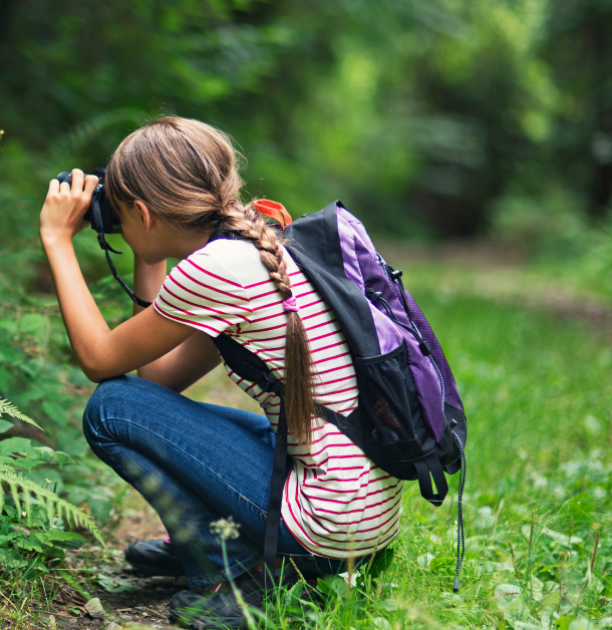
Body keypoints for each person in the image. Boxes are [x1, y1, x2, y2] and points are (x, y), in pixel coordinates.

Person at [38, 117, 400, 629]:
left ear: (143, 212)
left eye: (122, 212)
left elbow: (100, 361)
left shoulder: (215, 270)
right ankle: (232, 542)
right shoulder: (257, 247)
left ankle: (235, 568)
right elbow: (159, 380)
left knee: (110, 408)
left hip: (329, 524)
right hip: (362, 513)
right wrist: (149, 251)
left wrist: (57, 239)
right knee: (179, 416)